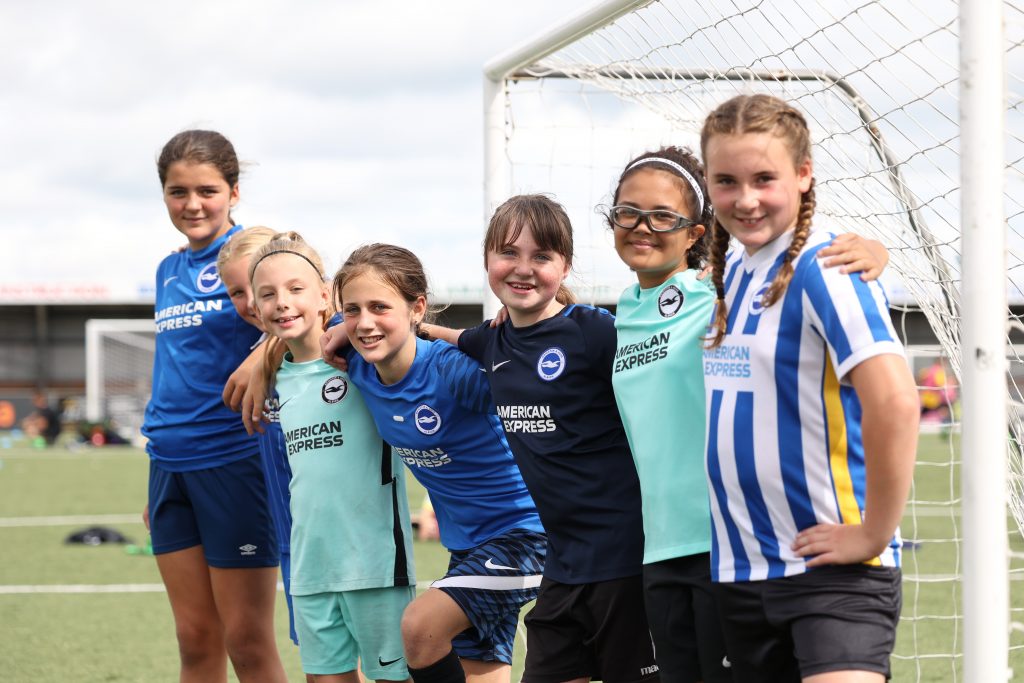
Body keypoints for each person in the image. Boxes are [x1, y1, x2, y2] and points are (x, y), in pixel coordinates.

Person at [606, 146, 890, 683]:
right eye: (628, 212)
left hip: (731, 544)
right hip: (659, 548)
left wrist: (874, 250)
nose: (642, 227)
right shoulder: (623, 309)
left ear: (695, 232)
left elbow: (805, 268)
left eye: (663, 216)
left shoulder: (721, 290)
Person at [700, 94, 919, 682]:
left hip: (831, 574)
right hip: (743, 572)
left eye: (764, 178)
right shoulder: (733, 272)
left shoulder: (825, 267)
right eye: (726, 181)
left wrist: (873, 532)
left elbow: (896, 402)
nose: (745, 199)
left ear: (803, 174)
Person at [423, 195, 659, 683]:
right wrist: (404, 325)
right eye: (509, 253)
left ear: (565, 265)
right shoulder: (494, 340)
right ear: (488, 259)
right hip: (563, 565)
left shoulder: (594, 332)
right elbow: (448, 336)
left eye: (542, 256)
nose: (523, 269)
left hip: (625, 562)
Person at [331, 243, 546, 683]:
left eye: (379, 307)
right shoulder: (357, 361)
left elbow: (531, 381)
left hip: (529, 536)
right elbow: (299, 309)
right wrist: (260, 359)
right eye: (352, 310)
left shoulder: (451, 371)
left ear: (417, 308)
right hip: (466, 547)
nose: (365, 322)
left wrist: (510, 334)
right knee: (479, 674)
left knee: (420, 628)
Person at [142, 129, 286, 683]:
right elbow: (173, 371)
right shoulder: (168, 270)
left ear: (234, 191)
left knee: (247, 642)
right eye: (178, 192)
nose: (193, 204)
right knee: (194, 639)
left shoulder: (256, 254)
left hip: (234, 463)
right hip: (168, 467)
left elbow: (315, 308)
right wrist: (155, 471)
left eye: (207, 190)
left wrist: (263, 354)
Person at [249, 232, 416, 683]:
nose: (282, 302)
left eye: (295, 289)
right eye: (267, 294)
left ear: (325, 294)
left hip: (375, 566)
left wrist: (345, 323)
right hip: (309, 570)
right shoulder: (271, 380)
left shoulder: (364, 359)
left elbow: (397, 326)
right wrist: (260, 359)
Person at [216, 225, 301, 649]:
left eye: (256, 285)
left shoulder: (329, 344)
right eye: (236, 292)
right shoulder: (260, 354)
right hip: (291, 533)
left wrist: (265, 350)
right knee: (321, 667)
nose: (250, 302)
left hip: (349, 537)